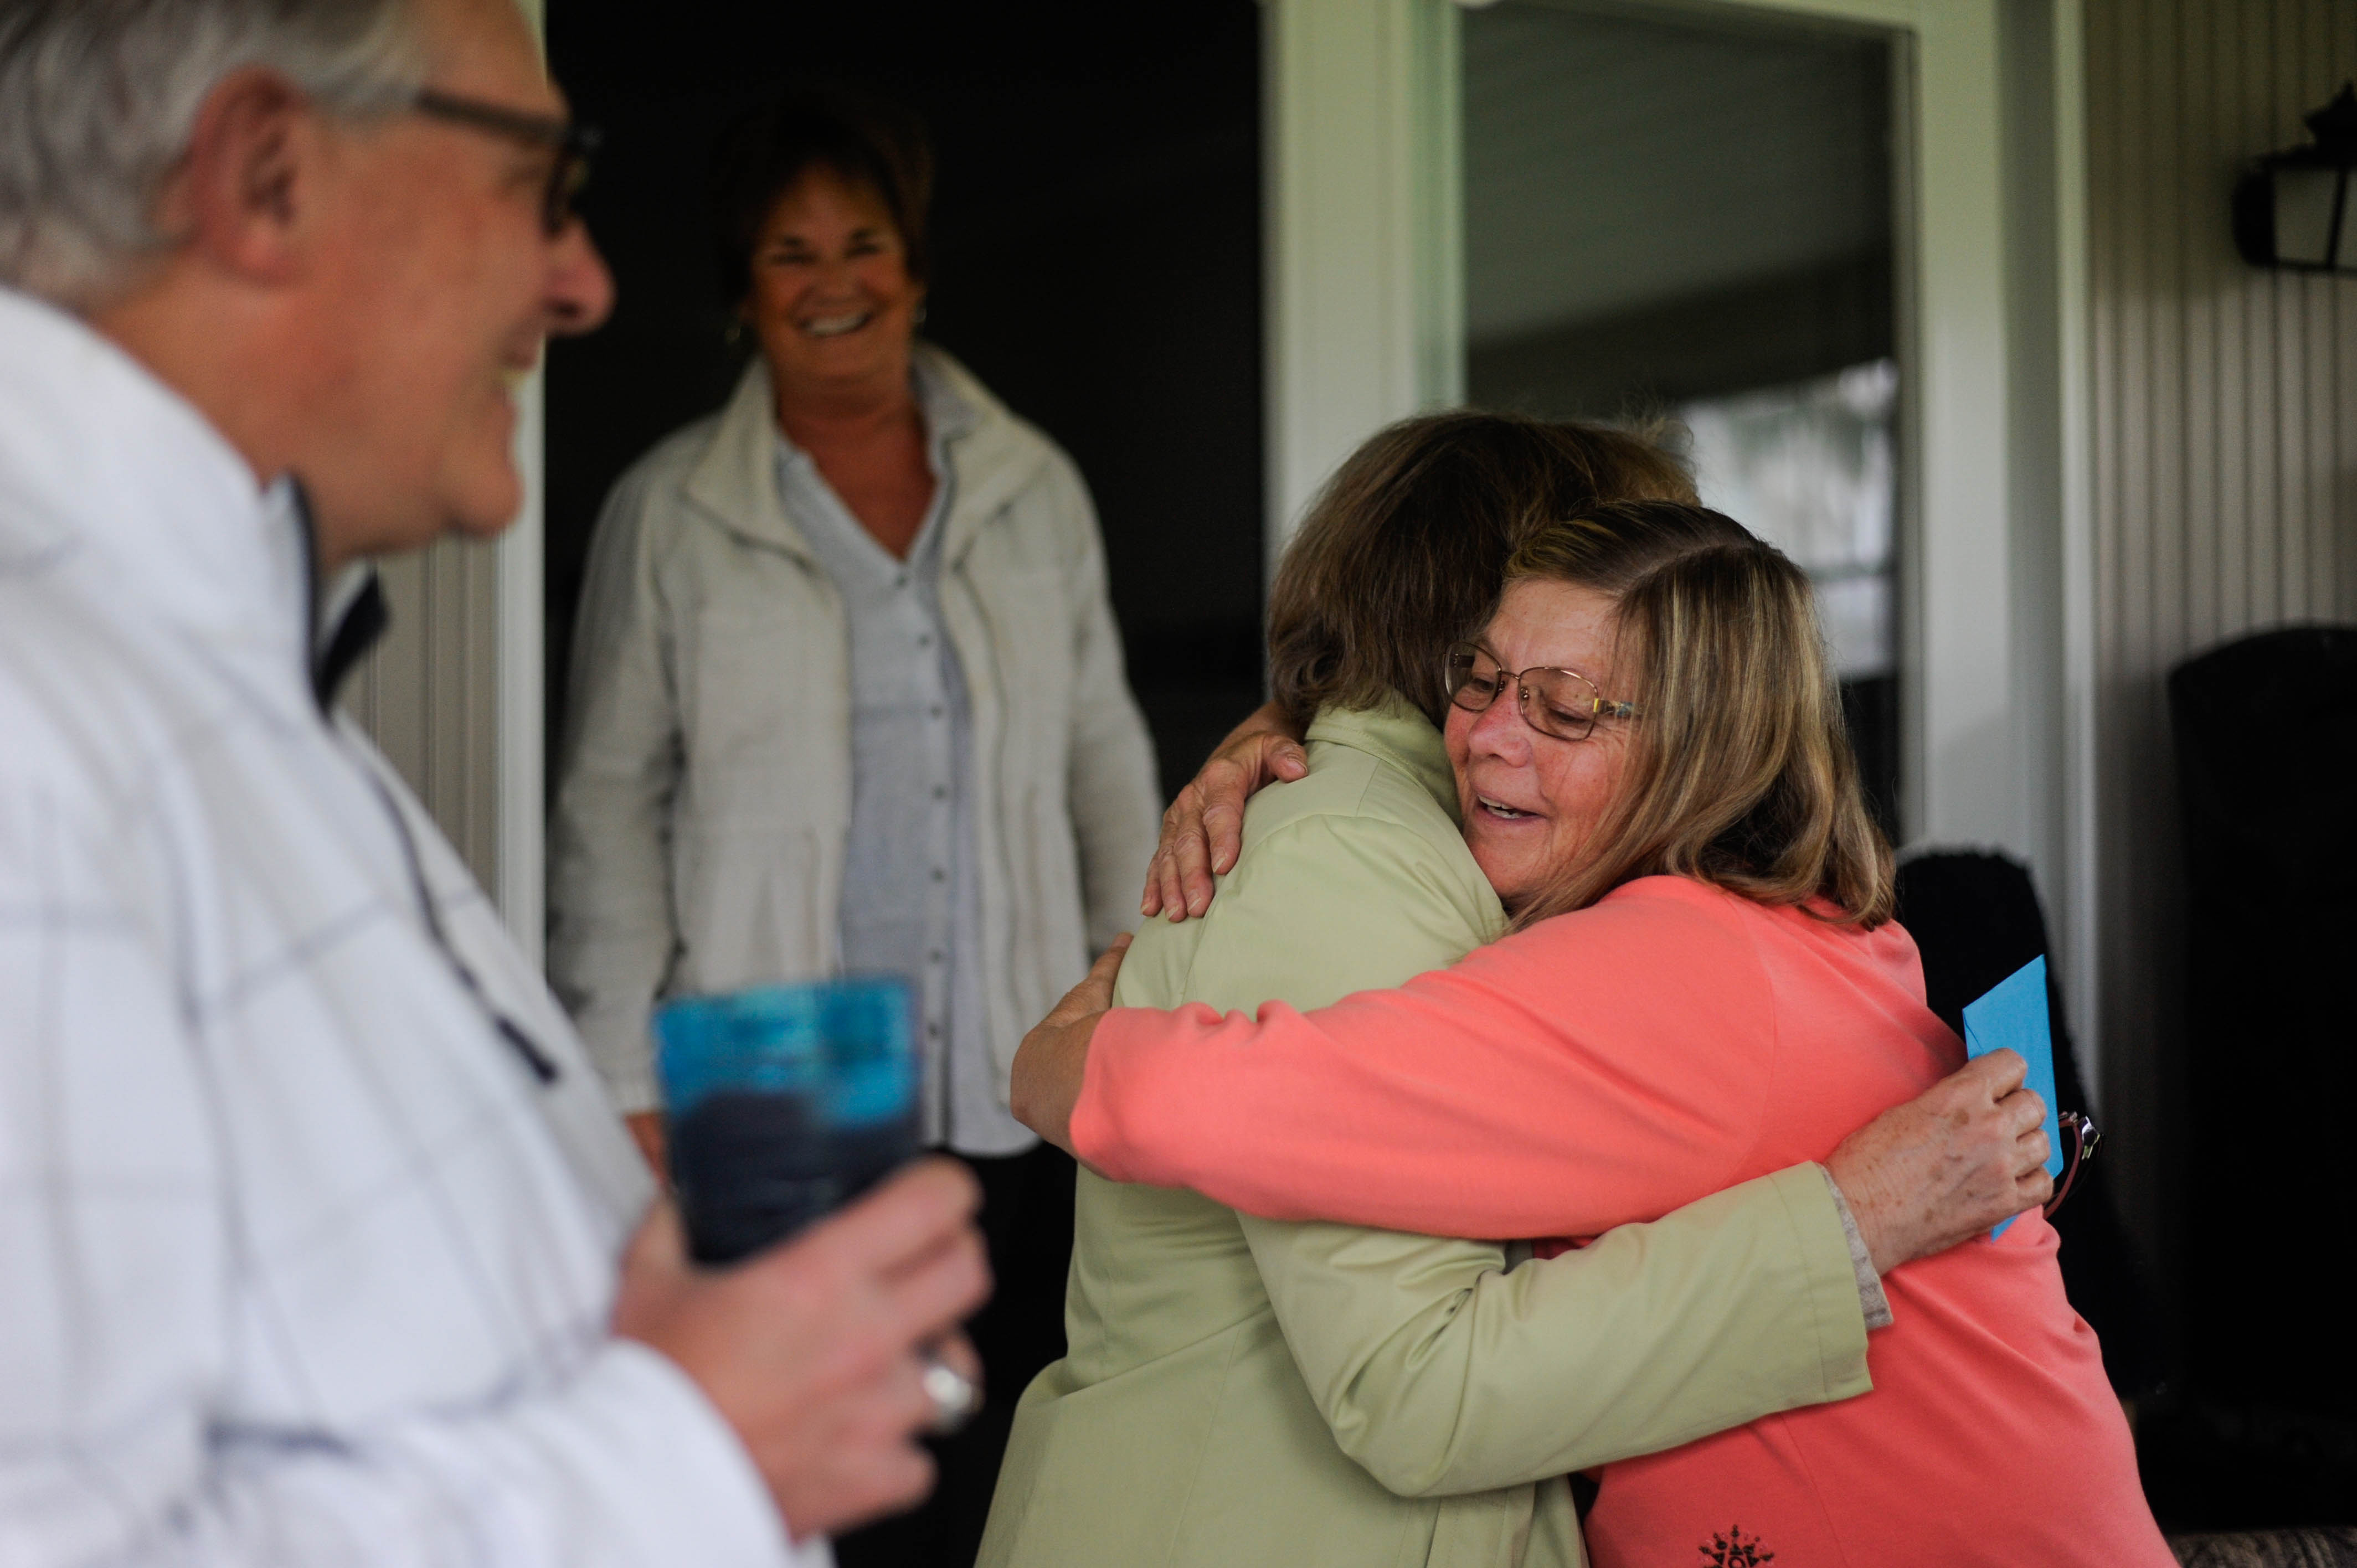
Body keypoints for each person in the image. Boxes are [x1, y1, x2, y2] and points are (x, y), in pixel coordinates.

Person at [0, 2, 987, 1564]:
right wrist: (694, 1448)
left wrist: (701, 1331)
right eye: (541, 179)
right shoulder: (33, 731)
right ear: (266, 176)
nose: (584, 283)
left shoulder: (232, 694)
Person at [979, 418, 2058, 1567]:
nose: (1501, 732)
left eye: (1571, 698)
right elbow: (1420, 1384)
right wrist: (1852, 1224)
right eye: (1492, 678)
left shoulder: (1651, 912)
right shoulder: (1355, 850)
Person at [547, 84, 1159, 1565]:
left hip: (1019, 1061)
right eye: (788, 254)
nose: (834, 284)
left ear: (919, 265)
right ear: (743, 299)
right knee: (832, 1477)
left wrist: (1137, 979)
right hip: (780, 1079)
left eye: (863, 242)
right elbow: (607, 809)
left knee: (1010, 1448)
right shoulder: (672, 511)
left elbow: (1100, 752)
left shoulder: (1031, 488)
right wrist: (628, 1073)